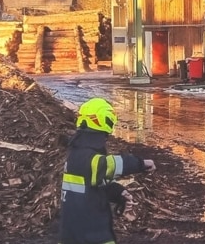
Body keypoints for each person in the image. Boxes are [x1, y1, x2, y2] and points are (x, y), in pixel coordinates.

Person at [59, 97, 155, 244]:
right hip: (91, 234)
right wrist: (141, 163)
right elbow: (109, 165)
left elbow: (90, 185)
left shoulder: (76, 153)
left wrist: (118, 193)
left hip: (72, 233)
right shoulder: (87, 156)